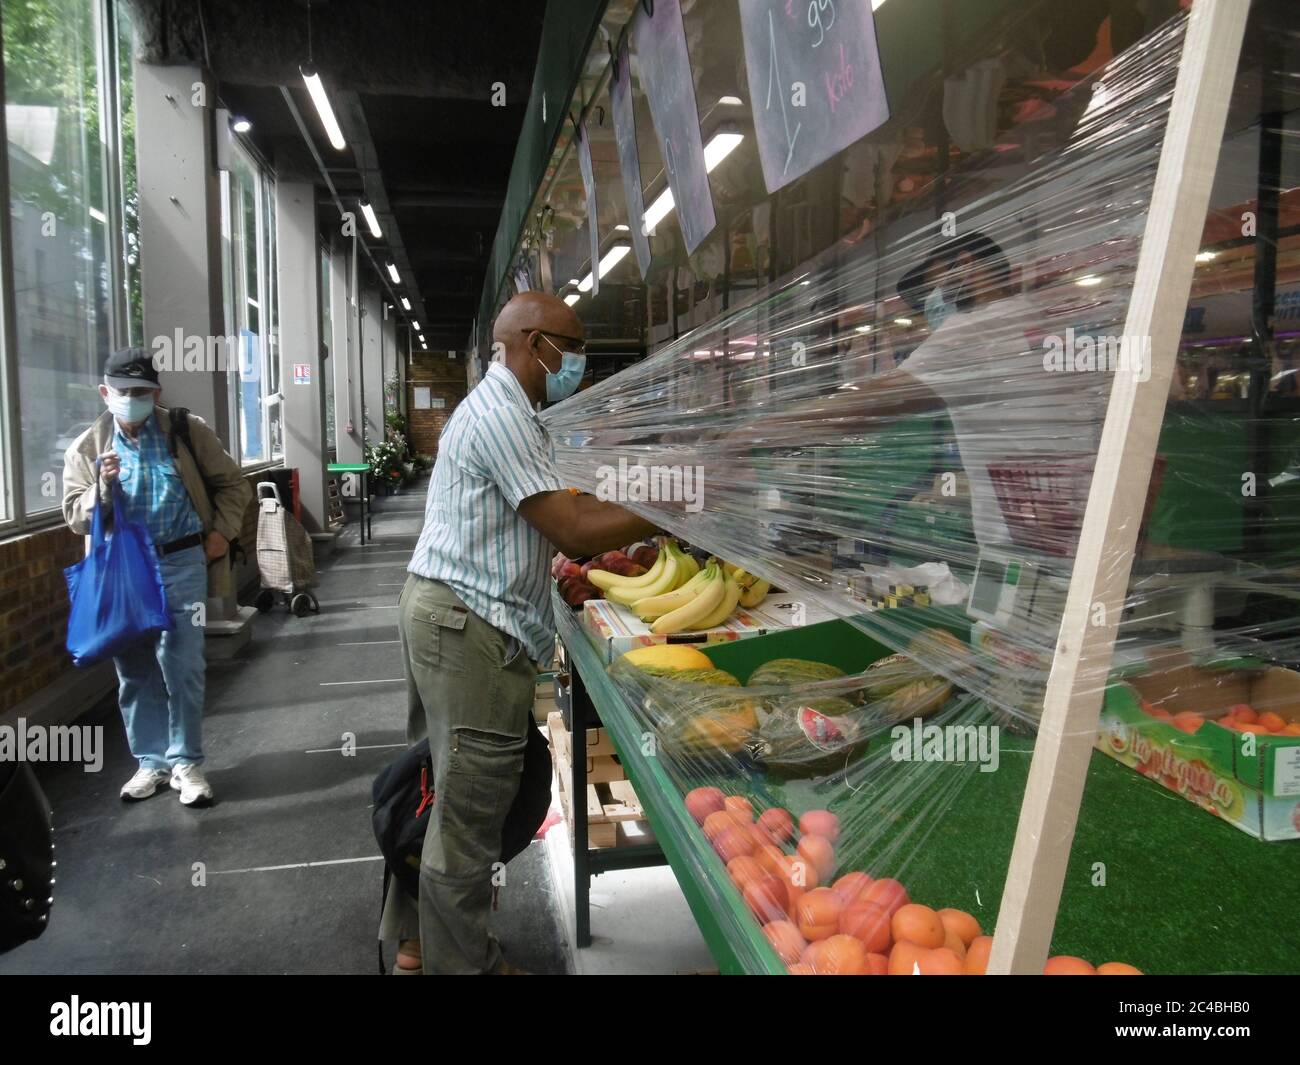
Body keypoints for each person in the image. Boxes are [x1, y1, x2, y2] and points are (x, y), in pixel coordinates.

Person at [382, 291, 659, 975]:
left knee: (445, 794)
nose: (581, 361)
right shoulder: (503, 415)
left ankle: (420, 941)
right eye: (574, 345)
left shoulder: (510, 412)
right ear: (534, 343)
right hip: (468, 631)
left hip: (451, 618)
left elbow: (570, 504)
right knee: (468, 817)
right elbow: (570, 528)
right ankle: (464, 965)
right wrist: (664, 508)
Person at [62, 348, 252, 806]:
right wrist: (101, 490)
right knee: (133, 670)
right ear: (106, 393)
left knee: (183, 664)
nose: (133, 399)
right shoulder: (89, 447)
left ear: (156, 392)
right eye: (124, 392)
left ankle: (187, 762)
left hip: (182, 560)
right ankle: (151, 762)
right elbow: (74, 515)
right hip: (126, 570)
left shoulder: (186, 431)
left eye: (143, 392)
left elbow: (233, 484)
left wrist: (222, 534)